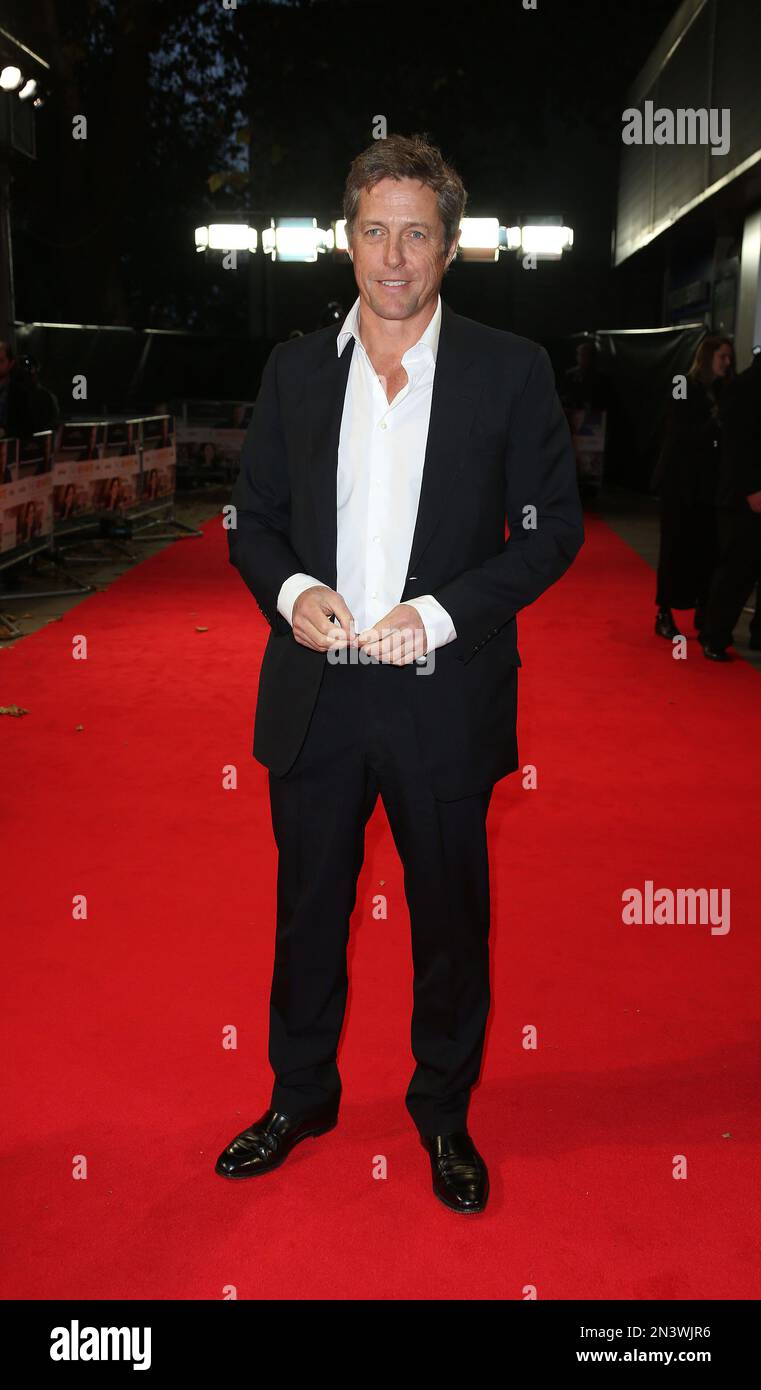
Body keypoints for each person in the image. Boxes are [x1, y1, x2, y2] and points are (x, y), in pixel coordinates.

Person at [218, 133, 585, 1214]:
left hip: (443, 691)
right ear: (345, 238)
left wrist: (437, 614)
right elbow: (254, 525)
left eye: (414, 234)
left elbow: (549, 530)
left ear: (449, 246)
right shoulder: (293, 368)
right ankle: (299, 1094)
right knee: (307, 910)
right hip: (318, 692)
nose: (391, 256)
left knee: (448, 916)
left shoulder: (509, 371)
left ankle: (441, 1108)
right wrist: (293, 596)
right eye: (373, 230)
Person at [652, 334, 734, 641]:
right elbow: (678, 430)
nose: (727, 363)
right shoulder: (682, 383)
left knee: (707, 549)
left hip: (710, 485)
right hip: (680, 484)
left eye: (729, 357)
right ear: (708, 356)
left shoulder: (726, 389)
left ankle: (702, 607)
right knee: (674, 548)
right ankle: (664, 612)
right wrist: (713, 423)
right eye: (722, 356)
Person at [699, 346, 761, 660]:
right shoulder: (746, 387)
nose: (726, 362)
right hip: (743, 498)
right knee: (737, 569)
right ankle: (715, 635)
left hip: (745, 493)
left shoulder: (739, 386)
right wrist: (751, 489)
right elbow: (737, 445)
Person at [0, 341, 34, 441]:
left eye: (0, 361)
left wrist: (5, 431)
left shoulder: (19, 393)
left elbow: (28, 428)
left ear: (10, 363)